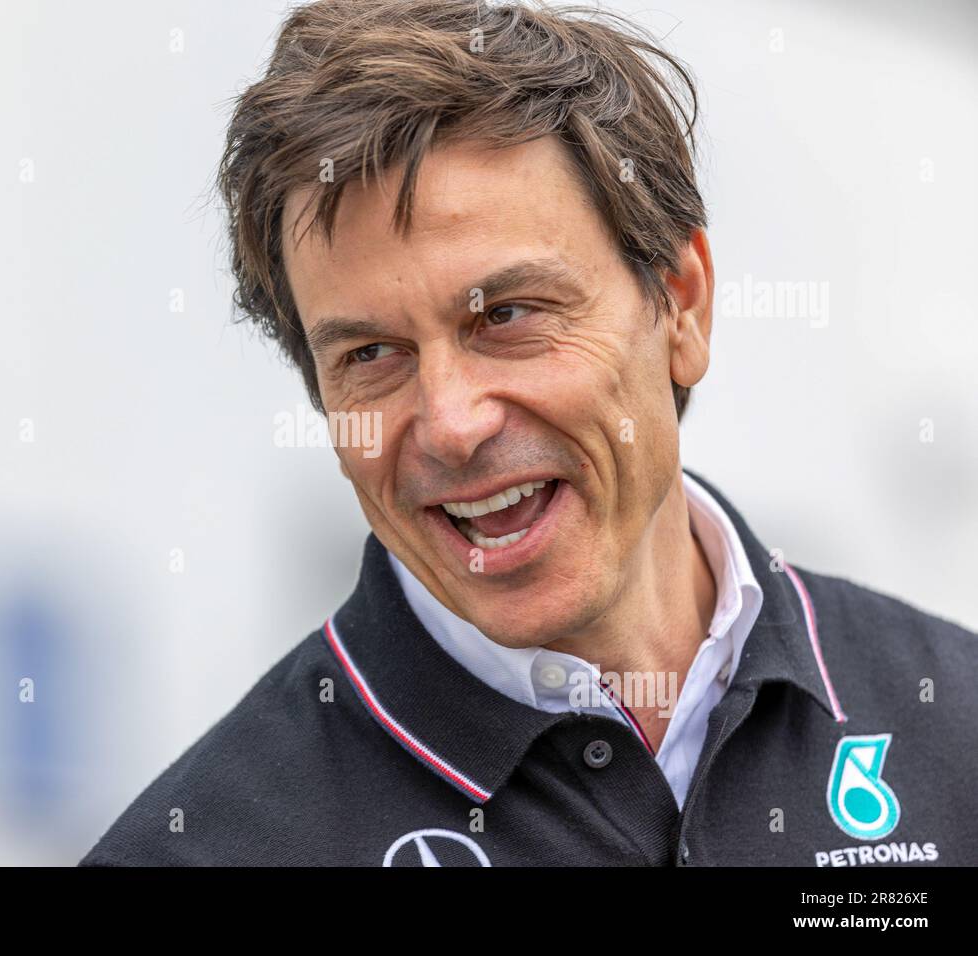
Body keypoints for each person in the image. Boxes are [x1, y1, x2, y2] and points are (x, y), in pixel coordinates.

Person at [82, 0, 977, 866]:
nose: (453, 423)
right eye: (372, 354)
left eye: (507, 314)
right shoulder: (205, 849)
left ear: (683, 306)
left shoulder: (957, 723)